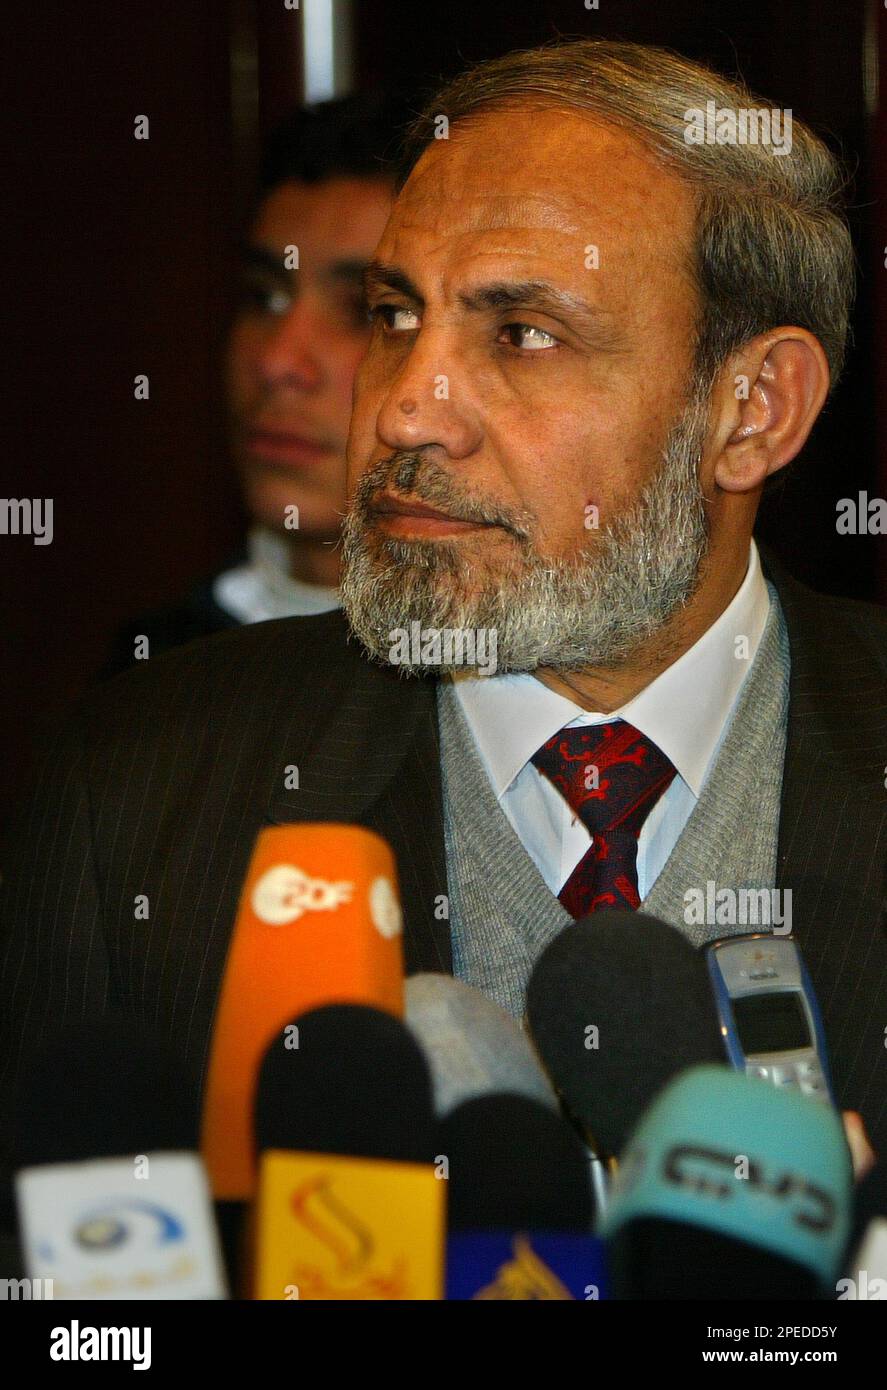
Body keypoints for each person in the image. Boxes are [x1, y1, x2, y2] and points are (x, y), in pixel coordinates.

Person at [3, 41, 886, 1165]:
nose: (406, 414)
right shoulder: (135, 795)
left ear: (752, 408)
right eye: (393, 315)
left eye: (521, 334)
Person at [102, 95, 401, 676]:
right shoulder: (155, 674)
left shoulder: (537, 682)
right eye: (265, 296)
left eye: (365, 310)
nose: (277, 361)